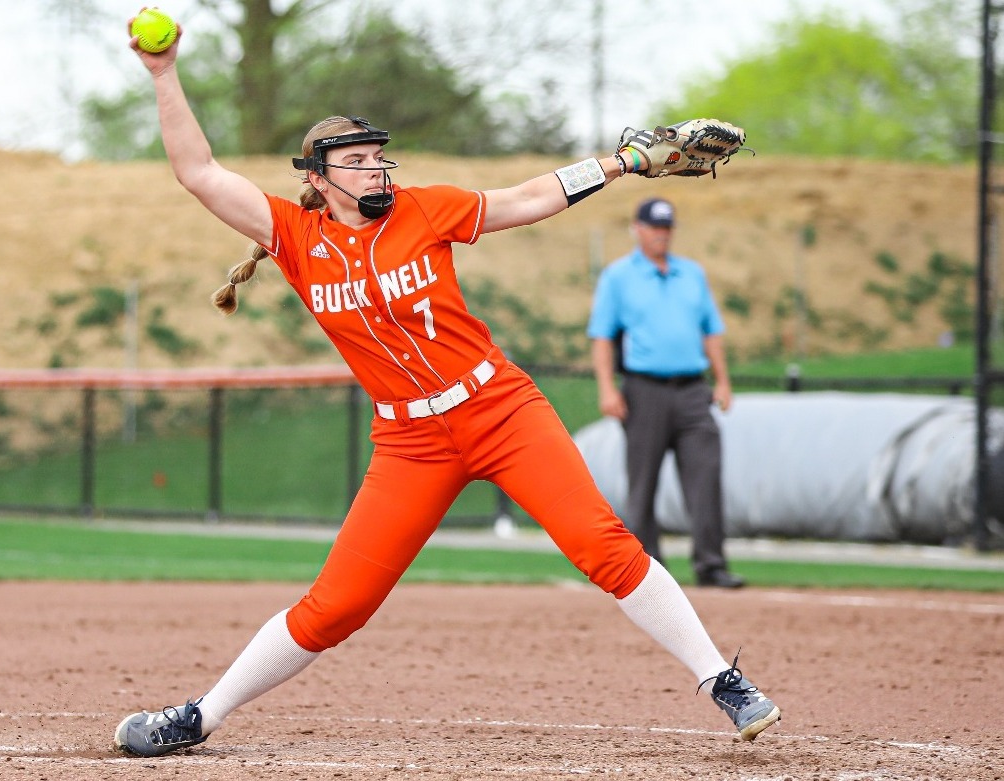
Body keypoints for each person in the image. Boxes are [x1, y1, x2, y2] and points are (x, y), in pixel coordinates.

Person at [114, 13, 780, 758]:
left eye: (377, 158)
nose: (374, 170)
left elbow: (527, 198)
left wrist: (622, 161)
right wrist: (164, 74)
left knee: (602, 543)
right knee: (338, 606)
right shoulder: (295, 238)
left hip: (499, 409)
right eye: (357, 160)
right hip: (410, 441)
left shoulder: (422, 209)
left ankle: (721, 679)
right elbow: (198, 173)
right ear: (316, 177)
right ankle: (200, 715)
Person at [587, 197, 744, 589]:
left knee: (705, 476)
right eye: (654, 227)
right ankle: (650, 572)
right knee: (642, 484)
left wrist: (722, 380)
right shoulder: (618, 277)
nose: (661, 234)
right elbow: (603, 337)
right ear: (637, 229)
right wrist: (607, 388)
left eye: (667, 228)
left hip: (693, 390)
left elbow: (711, 330)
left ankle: (711, 565)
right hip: (644, 390)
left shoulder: (691, 274)